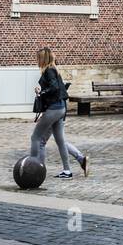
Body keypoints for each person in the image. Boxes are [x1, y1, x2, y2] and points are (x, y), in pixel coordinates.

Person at [30, 47, 88, 179]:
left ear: (43, 59)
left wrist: (41, 92)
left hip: (54, 108)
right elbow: (56, 87)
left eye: (38, 58)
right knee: (61, 141)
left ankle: (35, 168)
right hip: (61, 108)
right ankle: (67, 171)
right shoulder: (54, 69)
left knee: (36, 138)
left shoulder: (49, 70)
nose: (37, 61)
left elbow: (54, 87)